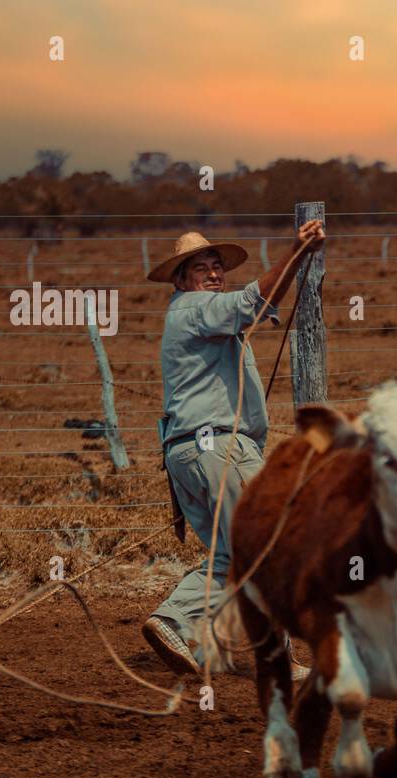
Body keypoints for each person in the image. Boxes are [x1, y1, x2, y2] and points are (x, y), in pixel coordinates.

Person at [141, 223, 324, 676]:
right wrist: (298, 251)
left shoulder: (196, 316)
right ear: (181, 281)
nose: (212, 274)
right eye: (199, 268)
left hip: (193, 452)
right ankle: (176, 619)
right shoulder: (196, 308)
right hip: (218, 448)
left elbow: (254, 308)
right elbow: (253, 302)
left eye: (216, 266)